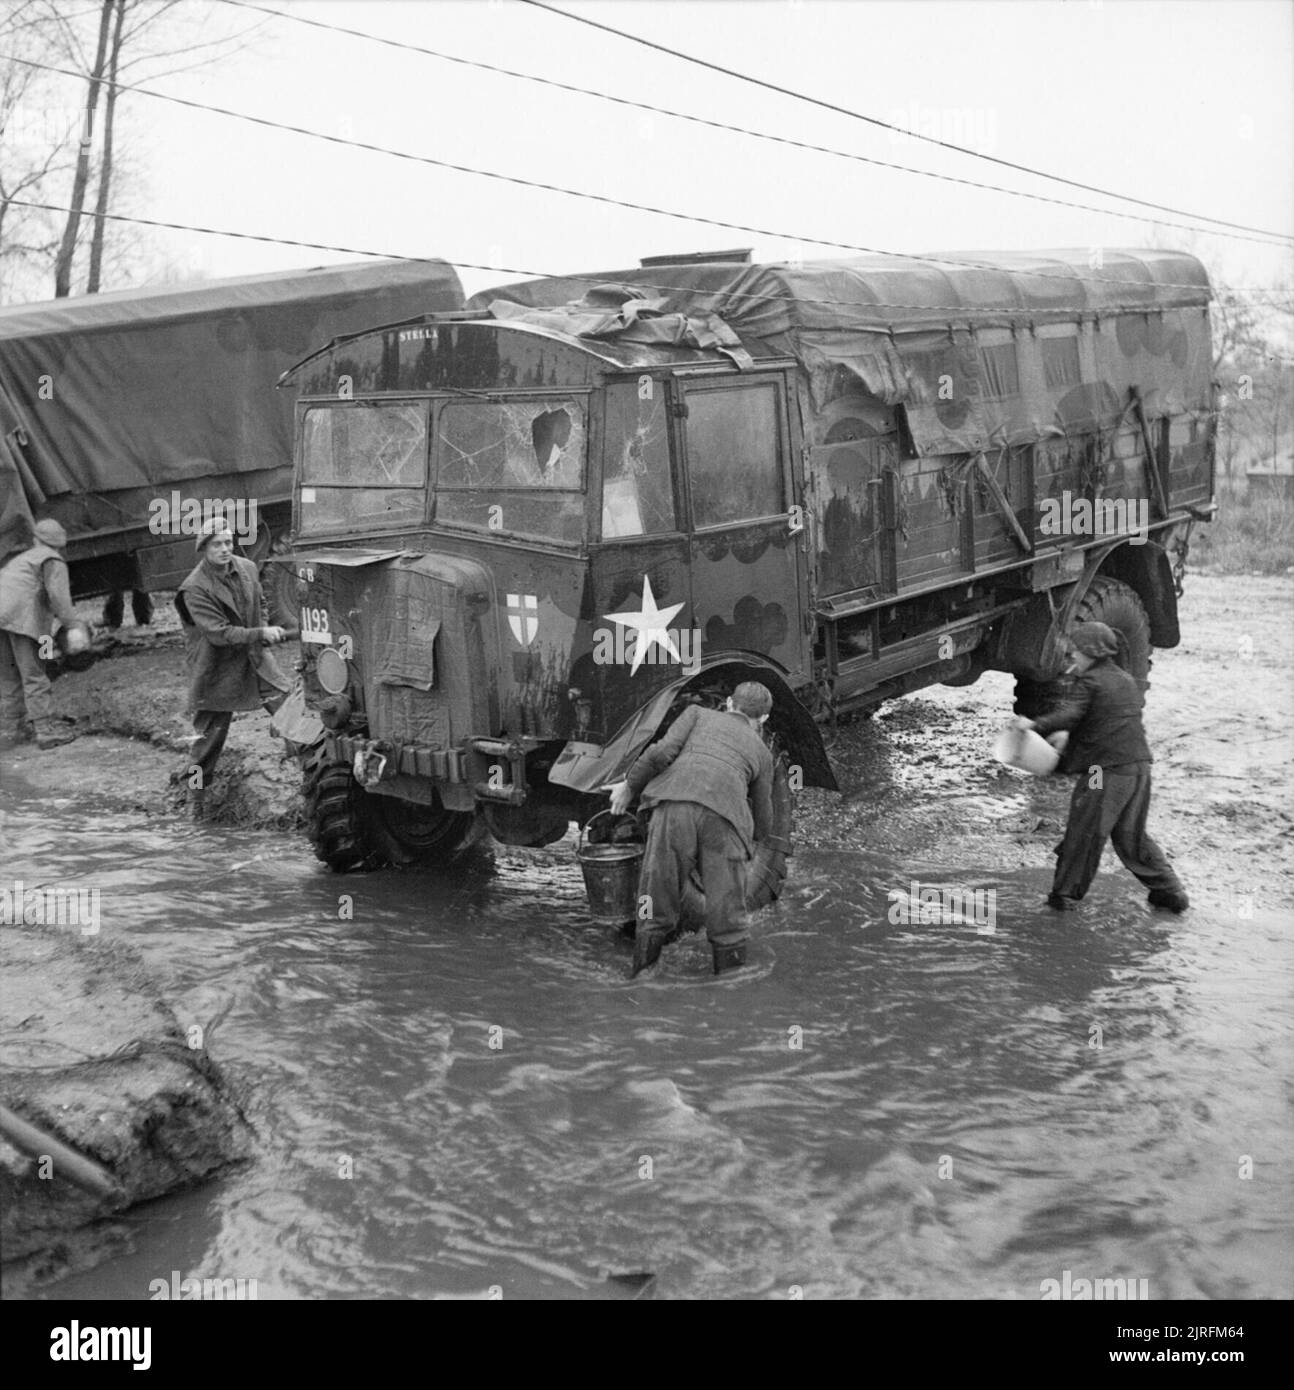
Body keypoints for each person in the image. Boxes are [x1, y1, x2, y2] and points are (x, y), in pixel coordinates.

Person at [1016, 621, 1188, 913]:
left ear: (1091, 652)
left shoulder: (1090, 681)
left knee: (1084, 830)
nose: (1072, 658)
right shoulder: (1124, 679)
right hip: (1139, 769)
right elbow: (1108, 722)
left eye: (1076, 653)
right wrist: (1069, 737)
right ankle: (1170, 891)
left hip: (1101, 773)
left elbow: (1071, 713)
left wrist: (1033, 724)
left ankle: (1064, 898)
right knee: (1130, 835)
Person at [609, 681, 775, 976]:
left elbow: (661, 754)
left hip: (673, 807)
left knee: (654, 898)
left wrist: (629, 786)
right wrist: (752, 843)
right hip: (724, 821)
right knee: (728, 915)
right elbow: (764, 817)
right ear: (763, 719)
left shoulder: (696, 713)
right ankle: (730, 988)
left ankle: (640, 979)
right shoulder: (763, 753)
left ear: (728, 702)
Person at [175, 518, 291, 810]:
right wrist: (261, 633)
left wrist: (262, 627)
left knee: (291, 714)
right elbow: (219, 634)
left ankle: (307, 778)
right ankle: (195, 801)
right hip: (215, 668)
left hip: (254, 658)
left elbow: (261, 602)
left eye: (228, 542)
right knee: (207, 744)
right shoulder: (194, 589)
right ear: (204, 548)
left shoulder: (248, 568)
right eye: (217, 544)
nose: (225, 549)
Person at [0, 519, 83, 750]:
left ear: (36, 539)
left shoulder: (22, 559)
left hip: (2, 620)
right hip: (23, 622)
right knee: (34, 674)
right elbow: (59, 599)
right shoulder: (53, 560)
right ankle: (45, 732)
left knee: (9, 676)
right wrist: (73, 626)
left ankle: (12, 729)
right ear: (61, 544)